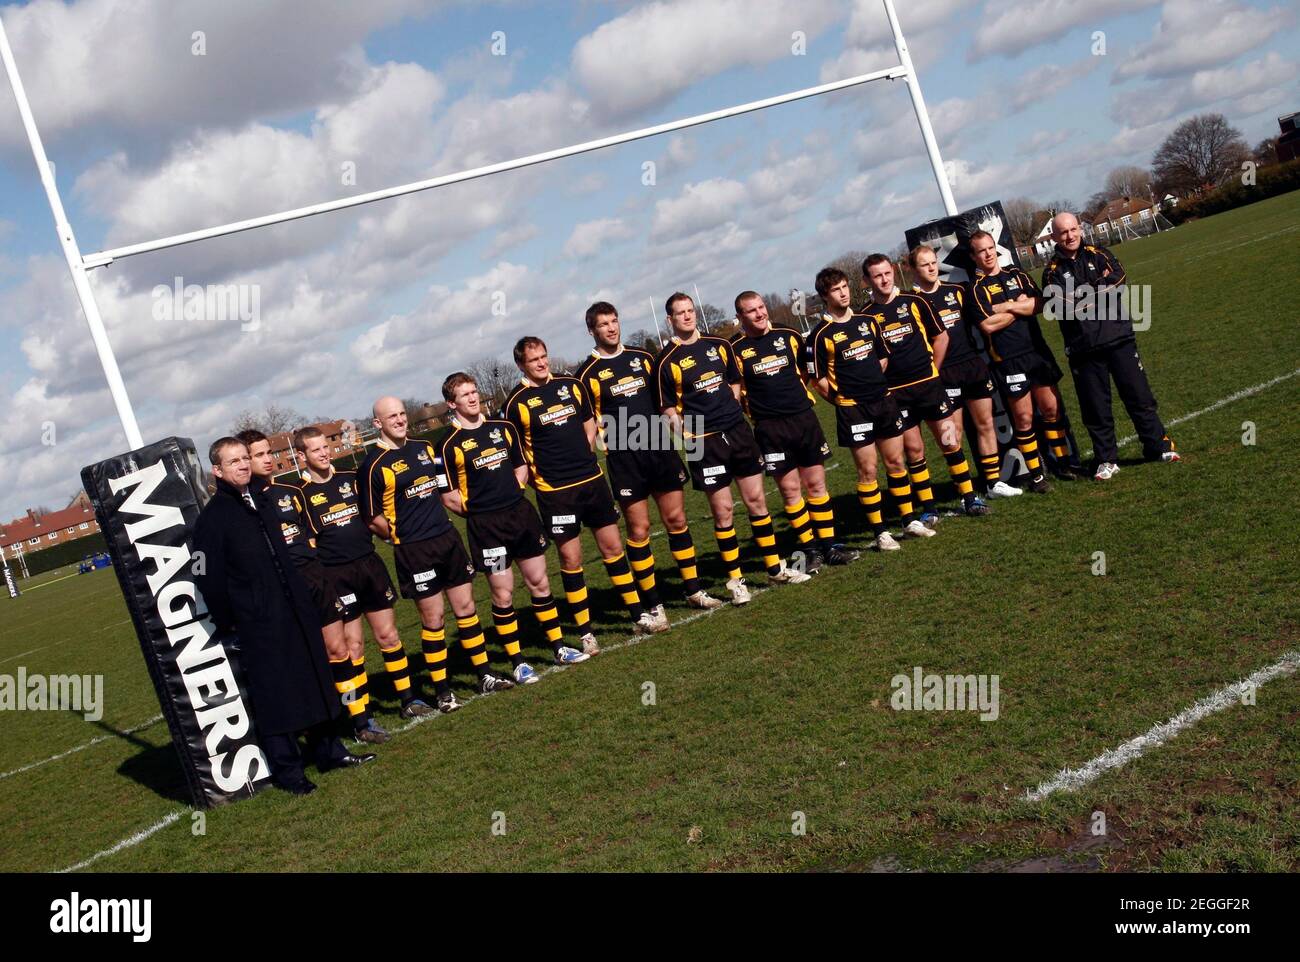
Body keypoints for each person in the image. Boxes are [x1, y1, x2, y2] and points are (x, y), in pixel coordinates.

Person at [194, 437, 374, 796]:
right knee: (276, 694)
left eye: (246, 458)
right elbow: (208, 578)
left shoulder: (264, 501)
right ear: (217, 471)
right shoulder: (213, 518)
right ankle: (289, 771)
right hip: (259, 621)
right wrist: (237, 616)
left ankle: (330, 752)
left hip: (297, 607)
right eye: (234, 462)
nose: (244, 465)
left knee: (316, 678)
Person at [503, 336, 667, 650]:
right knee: (571, 559)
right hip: (556, 492)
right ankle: (585, 632)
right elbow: (517, 452)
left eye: (543, 356)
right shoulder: (515, 403)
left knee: (613, 549)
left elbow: (589, 422)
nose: (541, 362)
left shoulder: (571, 385)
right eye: (534, 359)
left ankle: (638, 615)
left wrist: (586, 449)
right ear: (521, 364)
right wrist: (540, 480)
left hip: (592, 480)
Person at [359, 398, 516, 712]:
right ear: (378, 423)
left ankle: (484, 674)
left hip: (447, 539)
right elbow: (372, 518)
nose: (400, 420)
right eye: (392, 416)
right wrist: (398, 536)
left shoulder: (423, 449)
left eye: (402, 413)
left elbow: (445, 489)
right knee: (433, 620)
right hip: (414, 551)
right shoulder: (372, 465)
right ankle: (443, 692)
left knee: (467, 608)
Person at [656, 293, 813, 605]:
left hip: (738, 432)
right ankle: (735, 581)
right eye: (680, 313)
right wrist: (687, 434)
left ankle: (775, 567)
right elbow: (666, 408)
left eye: (690, 311)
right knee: (723, 511)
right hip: (705, 442)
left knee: (757, 501)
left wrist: (732, 409)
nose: (687, 317)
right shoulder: (666, 360)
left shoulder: (719, 344)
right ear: (670, 320)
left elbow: (735, 382)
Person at [576, 302, 723, 613]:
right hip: (626, 460)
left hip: (660, 449)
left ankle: (693, 590)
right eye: (604, 324)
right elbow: (589, 422)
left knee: (677, 520)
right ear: (592, 330)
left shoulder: (643, 359)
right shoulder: (586, 374)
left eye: (614, 320)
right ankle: (654, 604)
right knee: (639, 530)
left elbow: (664, 401)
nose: (612, 328)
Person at [440, 372, 590, 669]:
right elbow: (449, 497)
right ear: (451, 404)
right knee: (503, 591)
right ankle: (519, 662)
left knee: (539, 582)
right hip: (487, 530)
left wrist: (514, 490)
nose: (472, 398)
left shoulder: (503, 428)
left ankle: (559, 647)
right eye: (464, 395)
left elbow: (522, 465)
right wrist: (481, 510)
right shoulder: (448, 446)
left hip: (521, 517)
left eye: (474, 392)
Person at [294, 426, 432, 741]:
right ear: (301, 455)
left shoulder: (349, 479)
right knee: (351, 647)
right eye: (316, 450)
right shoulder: (299, 494)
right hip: (335, 575)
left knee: (388, 635)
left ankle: (408, 699)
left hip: (369, 565)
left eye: (326, 446)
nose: (324, 453)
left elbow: (374, 514)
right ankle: (361, 719)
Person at [236, 429, 366, 729]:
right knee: (305, 658)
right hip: (282, 589)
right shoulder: (245, 507)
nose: (268, 460)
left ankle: (358, 718)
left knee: (339, 650)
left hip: (315, 579)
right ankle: (321, 724)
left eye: (269, 452)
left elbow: (310, 539)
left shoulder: (292, 494)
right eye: (259, 455)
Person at [1041, 212, 1179, 479]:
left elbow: (1119, 279)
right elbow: (1059, 304)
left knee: (1139, 397)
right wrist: (1095, 290)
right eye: (1063, 233)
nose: (1069, 236)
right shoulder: (1052, 272)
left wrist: (1083, 294)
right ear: (1054, 238)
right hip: (1084, 349)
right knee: (1096, 408)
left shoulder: (1099, 254)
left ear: (1079, 229)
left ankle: (1158, 446)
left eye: (1073, 230)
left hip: (1119, 339)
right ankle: (1106, 459)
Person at [731, 291, 858, 570]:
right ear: (740, 317)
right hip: (770, 429)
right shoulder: (735, 349)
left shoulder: (789, 335)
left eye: (762, 307)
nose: (760, 314)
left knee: (816, 486)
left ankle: (831, 546)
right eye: (751, 311)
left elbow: (807, 372)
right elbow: (735, 393)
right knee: (790, 491)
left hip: (803, 420)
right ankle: (810, 550)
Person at [810, 267, 928, 550]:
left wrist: (873, 381)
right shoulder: (820, 335)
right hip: (854, 411)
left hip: (884, 402)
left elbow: (883, 357)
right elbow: (818, 380)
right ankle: (880, 532)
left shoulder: (867, 321)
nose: (843, 292)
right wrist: (841, 400)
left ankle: (909, 519)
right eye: (836, 289)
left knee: (897, 463)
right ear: (825, 296)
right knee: (868, 470)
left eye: (845, 286)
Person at [861, 253, 985, 520]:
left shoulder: (914, 301)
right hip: (897, 395)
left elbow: (941, 337)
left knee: (950, 441)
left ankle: (969, 497)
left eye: (886, 273)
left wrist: (933, 371)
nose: (883, 279)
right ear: (866, 281)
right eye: (877, 276)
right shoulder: (865, 317)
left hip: (930, 386)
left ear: (893, 271)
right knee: (915, 451)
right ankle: (928, 509)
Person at [907, 245, 1022, 501]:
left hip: (972, 365)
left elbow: (983, 318)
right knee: (952, 434)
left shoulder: (956, 291)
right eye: (924, 264)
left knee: (985, 424)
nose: (931, 267)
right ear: (913, 269)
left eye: (933, 262)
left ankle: (993, 482)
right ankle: (964, 490)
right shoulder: (911, 303)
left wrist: (1014, 305)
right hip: (943, 374)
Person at [969, 231, 1080, 493]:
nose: (987, 254)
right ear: (973, 256)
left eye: (990, 248)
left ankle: (1064, 464)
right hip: (1008, 361)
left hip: (1037, 353)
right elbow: (987, 325)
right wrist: (1017, 306)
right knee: (1024, 418)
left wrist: (1004, 308)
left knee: (1052, 410)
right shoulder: (974, 289)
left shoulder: (1017, 274)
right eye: (981, 250)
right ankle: (1037, 476)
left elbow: (1041, 304)